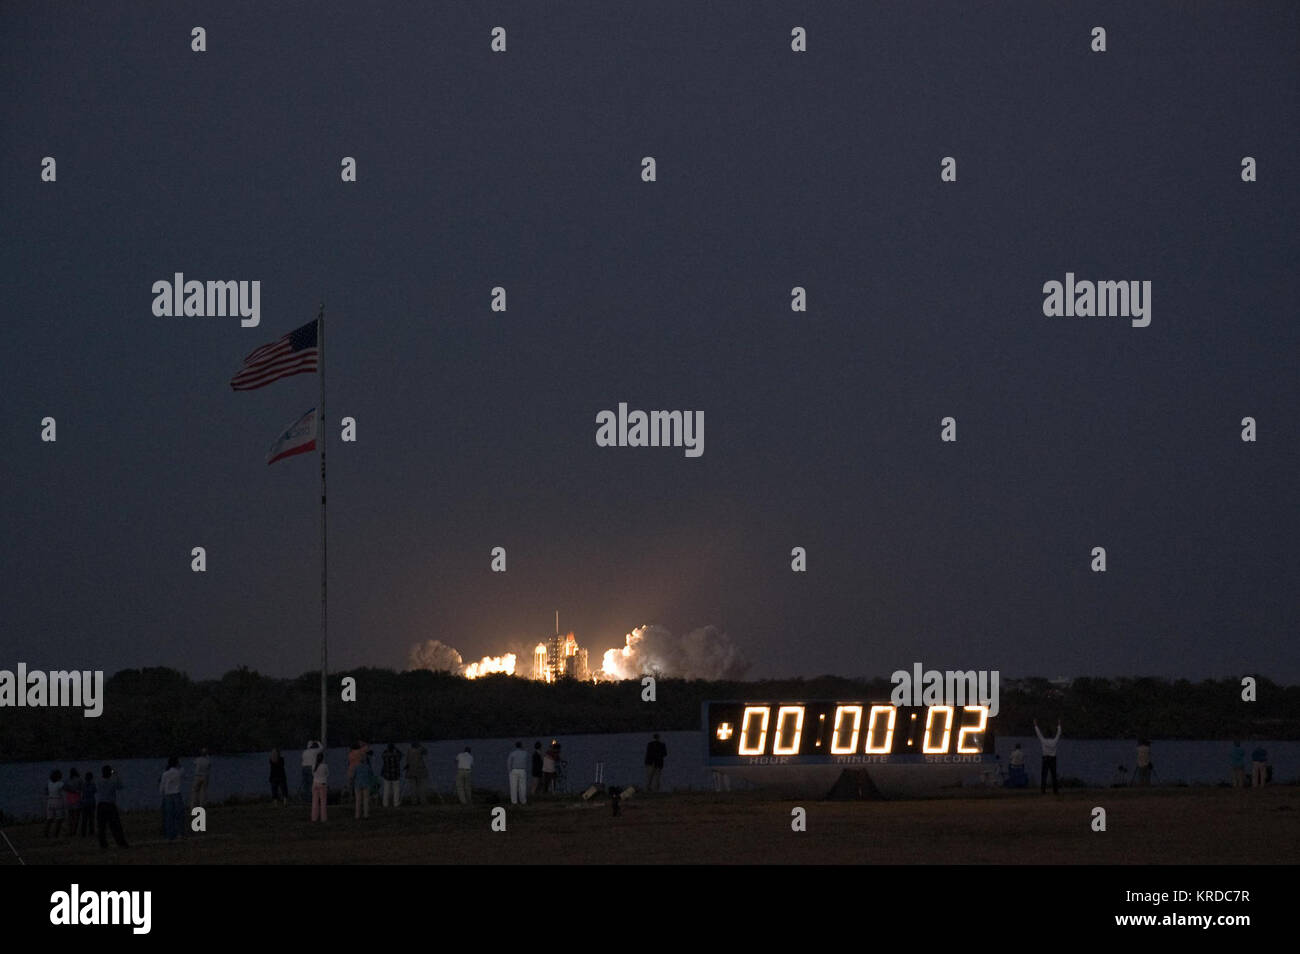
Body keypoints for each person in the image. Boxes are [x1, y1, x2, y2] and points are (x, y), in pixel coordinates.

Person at [97, 765, 128, 849]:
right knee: (115, 826)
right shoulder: (112, 782)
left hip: (101, 805)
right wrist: (116, 774)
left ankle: (103, 844)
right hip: (110, 805)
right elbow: (120, 786)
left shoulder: (99, 781)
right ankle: (121, 843)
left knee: (101, 826)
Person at [1034, 719, 1061, 795]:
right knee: (1054, 776)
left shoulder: (1043, 740)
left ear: (1046, 734)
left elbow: (1038, 734)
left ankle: (1043, 791)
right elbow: (1058, 734)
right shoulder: (1054, 741)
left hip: (1045, 758)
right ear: (1051, 734)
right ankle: (1055, 791)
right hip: (1053, 759)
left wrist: (1035, 725)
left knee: (1044, 775)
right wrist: (1059, 725)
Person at [160, 756, 184, 840]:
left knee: (169, 816)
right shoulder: (179, 772)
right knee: (178, 815)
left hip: (167, 795)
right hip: (176, 794)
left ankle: (169, 834)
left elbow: (162, 785)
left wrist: (162, 793)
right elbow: (182, 770)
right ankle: (179, 833)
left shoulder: (165, 774)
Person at [380, 743, 403, 808]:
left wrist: (387, 750)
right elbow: (401, 755)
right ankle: (396, 803)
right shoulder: (396, 755)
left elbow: (382, 756)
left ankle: (385, 804)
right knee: (396, 789)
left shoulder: (385, 754)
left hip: (387, 774)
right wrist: (396, 749)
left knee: (386, 790)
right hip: (395, 774)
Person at [354, 748, 374, 819]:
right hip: (366, 784)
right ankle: (366, 814)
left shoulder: (356, 767)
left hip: (358, 784)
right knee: (366, 800)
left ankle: (357, 815)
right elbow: (371, 775)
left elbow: (354, 775)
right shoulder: (368, 767)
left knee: (358, 800)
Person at [44, 769, 65, 837]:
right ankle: (56, 834)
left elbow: (46, 791)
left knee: (49, 818)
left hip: (50, 801)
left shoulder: (49, 783)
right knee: (59, 818)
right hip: (58, 800)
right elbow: (68, 788)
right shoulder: (60, 783)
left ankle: (46, 833)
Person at [63, 768, 83, 837]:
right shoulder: (79, 779)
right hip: (76, 798)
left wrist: (70, 790)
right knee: (76, 817)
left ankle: (70, 830)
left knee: (70, 816)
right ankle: (74, 831)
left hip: (69, 799)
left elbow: (65, 788)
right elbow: (81, 788)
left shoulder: (67, 780)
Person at [311, 751, 329, 821]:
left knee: (315, 802)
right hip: (322, 784)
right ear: (322, 758)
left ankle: (314, 818)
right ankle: (323, 818)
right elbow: (327, 774)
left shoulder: (313, 766)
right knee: (323, 802)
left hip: (315, 784)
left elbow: (313, 774)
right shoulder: (325, 766)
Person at [80, 767, 97, 837]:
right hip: (91, 802)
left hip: (84, 802)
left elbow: (82, 793)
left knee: (84, 819)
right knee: (91, 818)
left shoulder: (83, 785)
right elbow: (95, 791)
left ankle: (83, 832)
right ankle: (91, 831)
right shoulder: (93, 784)